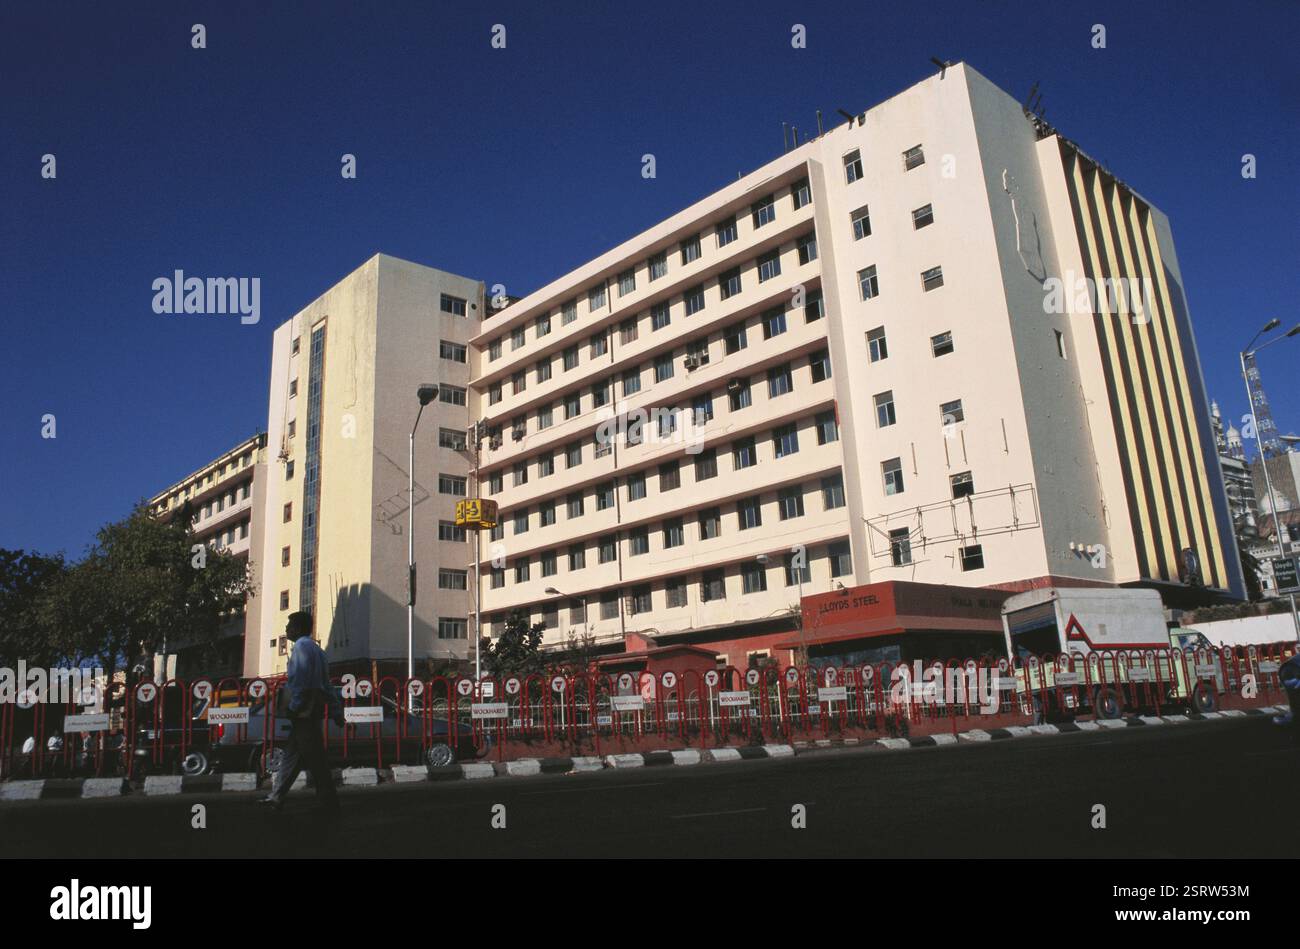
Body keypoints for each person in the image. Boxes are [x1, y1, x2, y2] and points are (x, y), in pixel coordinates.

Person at [261, 611, 344, 813]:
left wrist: (294, 707)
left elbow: (301, 683)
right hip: (313, 710)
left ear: (297, 629)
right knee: (292, 756)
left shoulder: (300, 649)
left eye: (289, 626)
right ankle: (277, 796)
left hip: (304, 712)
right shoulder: (318, 650)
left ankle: (328, 800)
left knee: (315, 758)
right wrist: (335, 711)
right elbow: (327, 685)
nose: (286, 629)